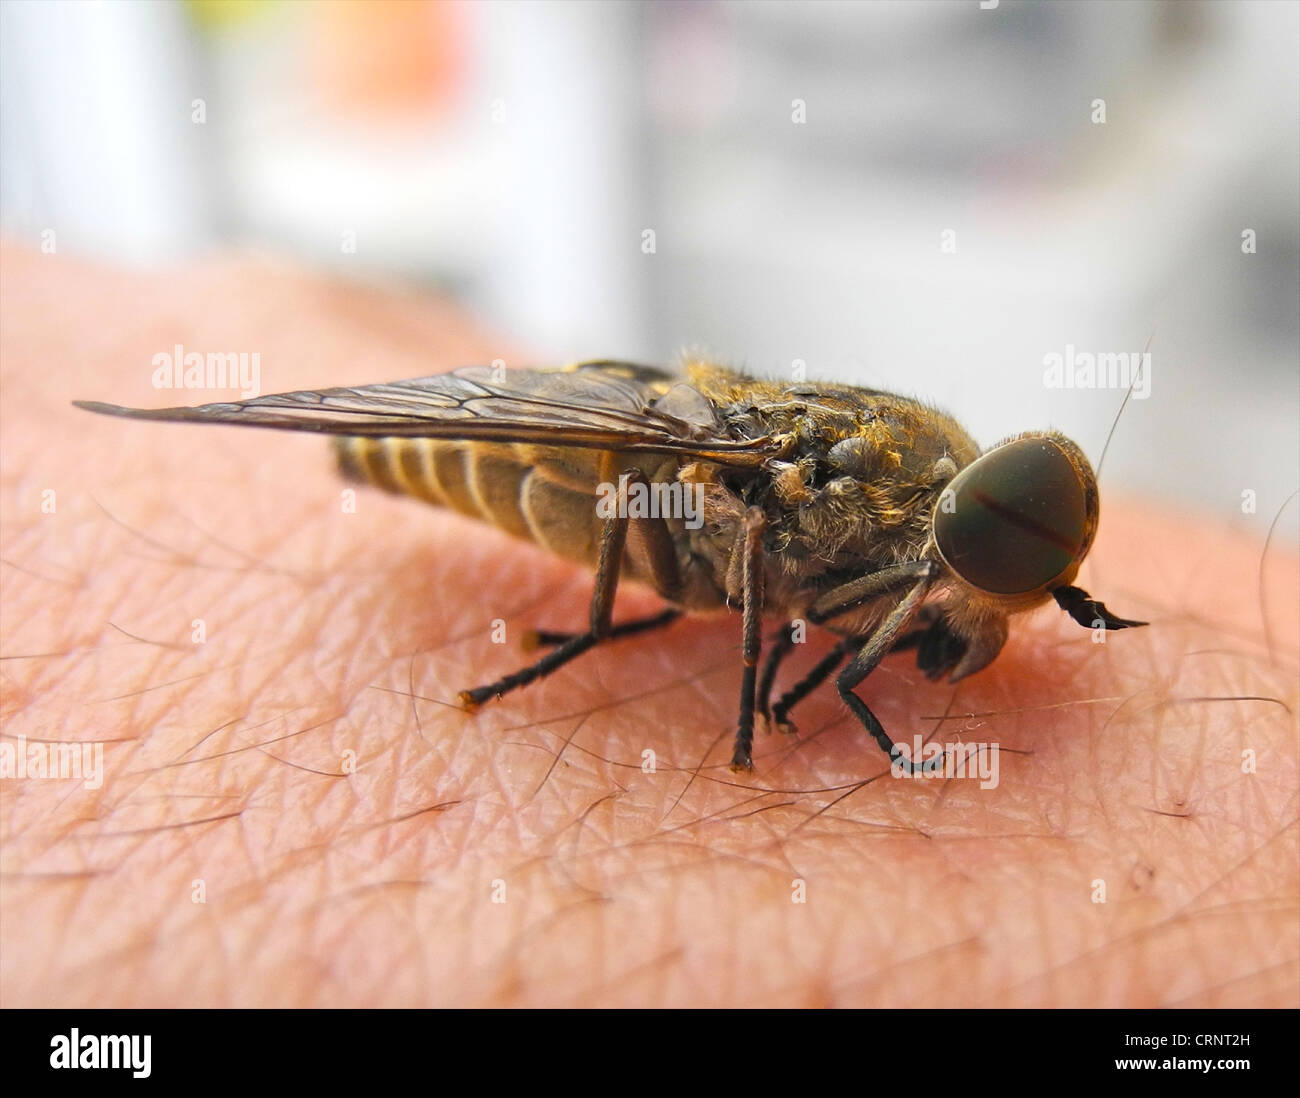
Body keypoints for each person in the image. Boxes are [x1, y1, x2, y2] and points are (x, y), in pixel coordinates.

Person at [3, 246, 1296, 1007]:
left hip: (668, 447)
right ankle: (583, 644)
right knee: (694, 497)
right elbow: (732, 521)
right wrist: (735, 705)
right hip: (606, 473)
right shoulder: (871, 505)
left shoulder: (931, 525)